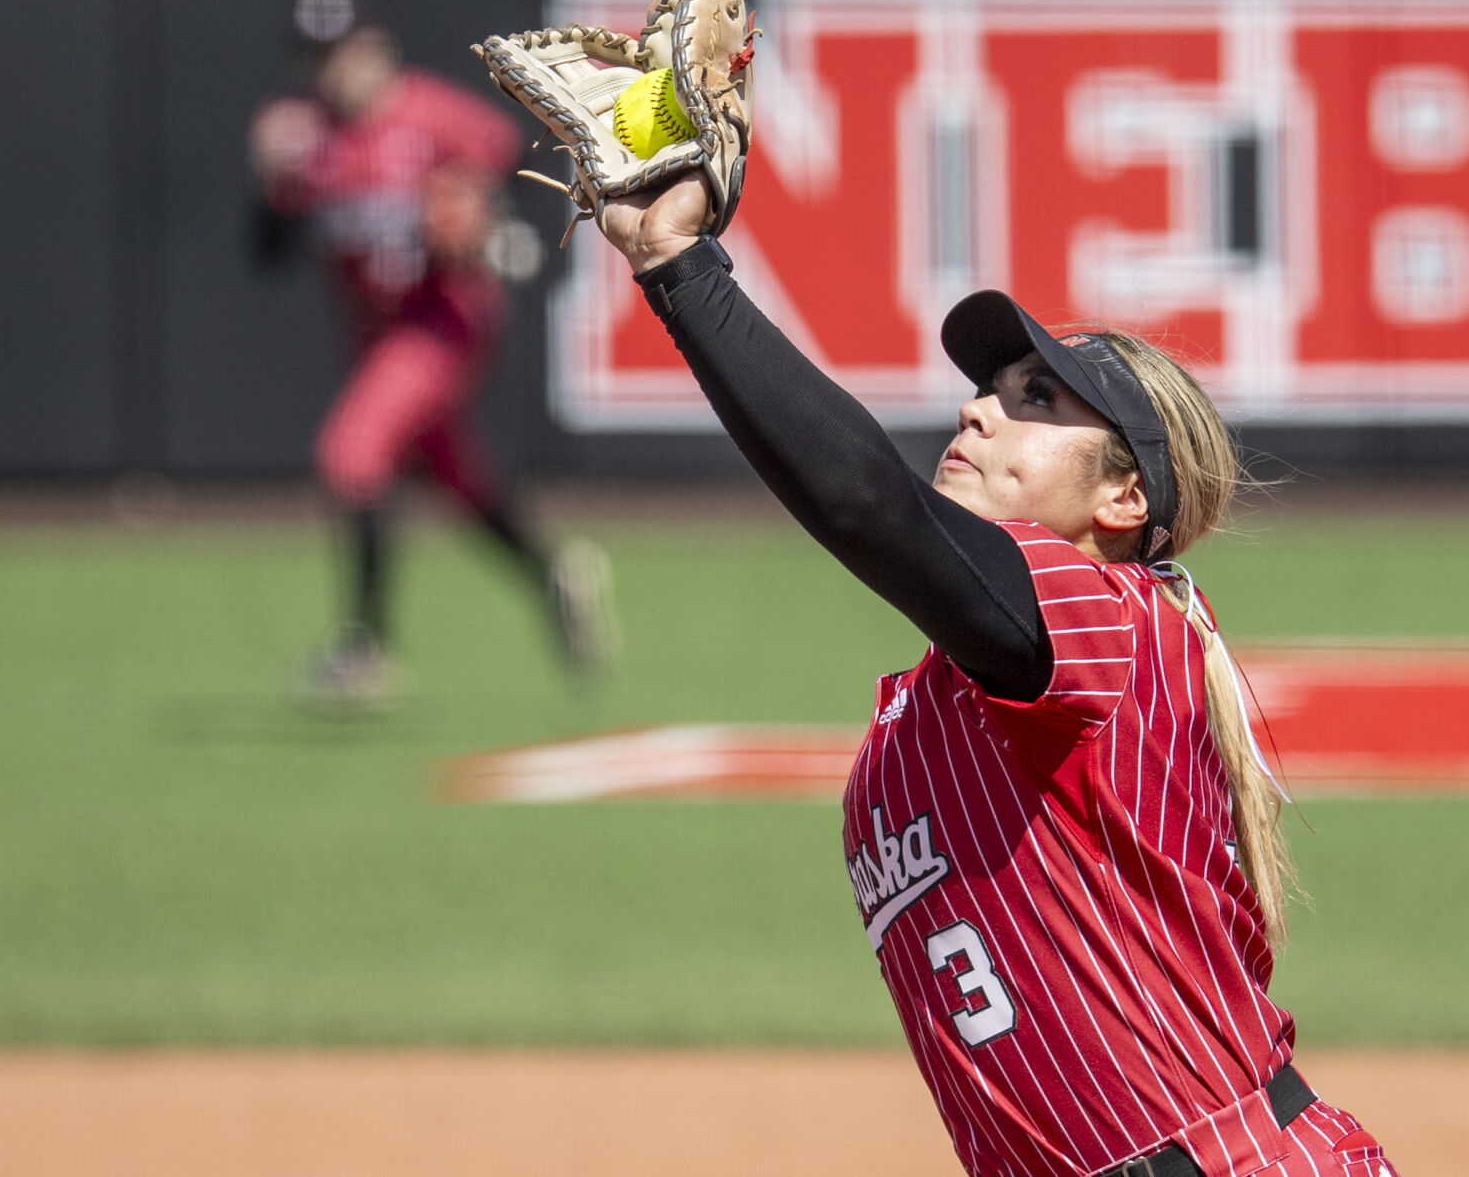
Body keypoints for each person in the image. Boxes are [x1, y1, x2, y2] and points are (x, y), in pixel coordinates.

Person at [594, 173, 1397, 1177]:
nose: (978, 410)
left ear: (1121, 497)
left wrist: (680, 267)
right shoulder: (936, 706)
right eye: (990, 389)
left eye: (1036, 399)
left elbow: (867, 504)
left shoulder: (1109, 620)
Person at [248, 0, 617, 707]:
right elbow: (269, 252)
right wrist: (267, 187)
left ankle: (364, 650)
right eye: (317, 56)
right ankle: (552, 572)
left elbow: (526, 176)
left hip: (446, 321)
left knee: (351, 455)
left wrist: (493, 228)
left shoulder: (433, 116)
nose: (333, 69)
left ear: (377, 48)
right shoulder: (305, 139)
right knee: (452, 479)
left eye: (344, 50)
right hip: (377, 333)